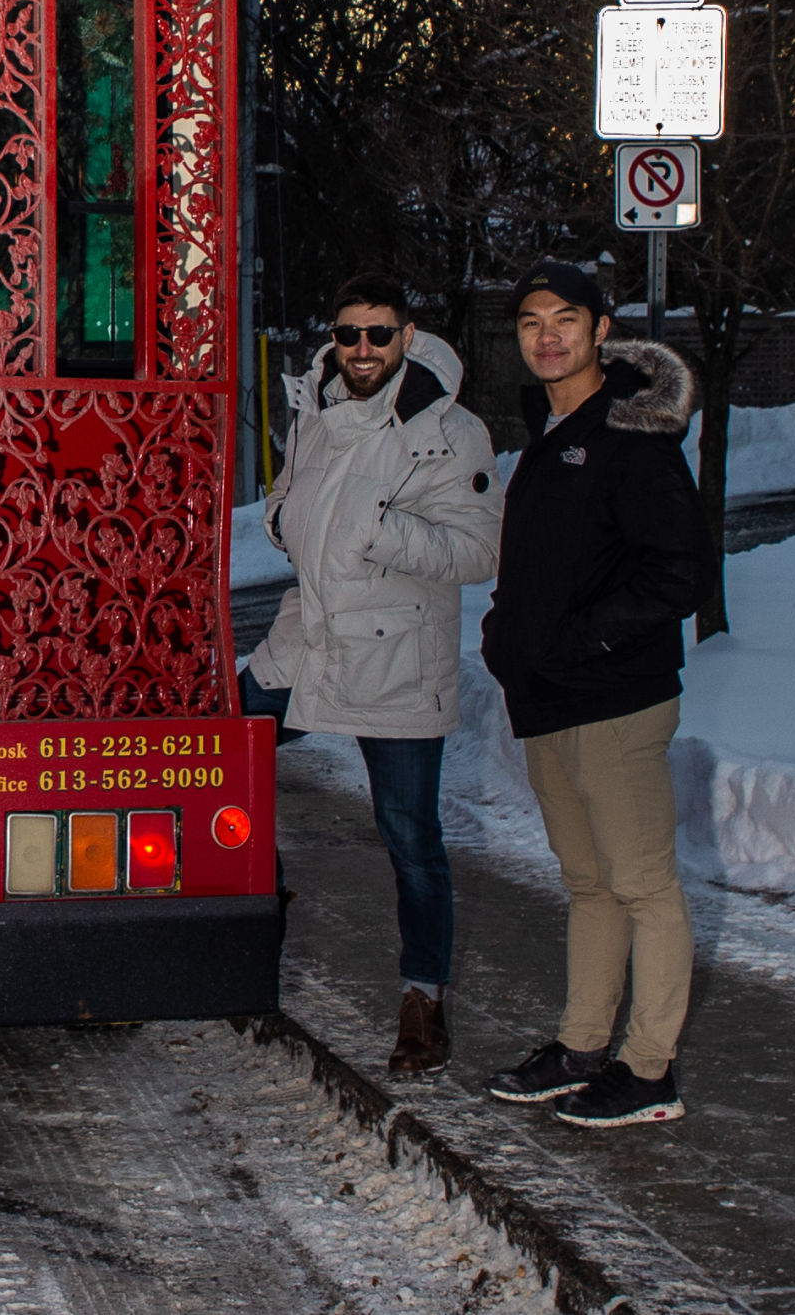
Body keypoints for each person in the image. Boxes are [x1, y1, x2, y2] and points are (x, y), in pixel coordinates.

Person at [240, 272, 500, 1081]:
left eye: (378, 334)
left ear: (407, 338)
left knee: (411, 838)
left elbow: (477, 551)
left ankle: (422, 999)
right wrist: (286, 516)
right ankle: (249, 930)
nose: (361, 348)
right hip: (306, 644)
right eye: (348, 332)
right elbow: (292, 502)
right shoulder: (315, 410)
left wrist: (379, 531)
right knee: (221, 760)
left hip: (395, 661)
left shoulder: (452, 432)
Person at [477, 258, 710, 1130]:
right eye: (532, 320)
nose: (548, 334)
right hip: (550, 700)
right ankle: (580, 1048)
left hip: (614, 699)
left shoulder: (630, 436)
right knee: (589, 884)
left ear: (601, 327)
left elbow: (676, 572)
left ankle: (649, 1068)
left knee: (643, 884)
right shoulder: (552, 431)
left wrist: (579, 641)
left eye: (566, 318)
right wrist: (509, 639)